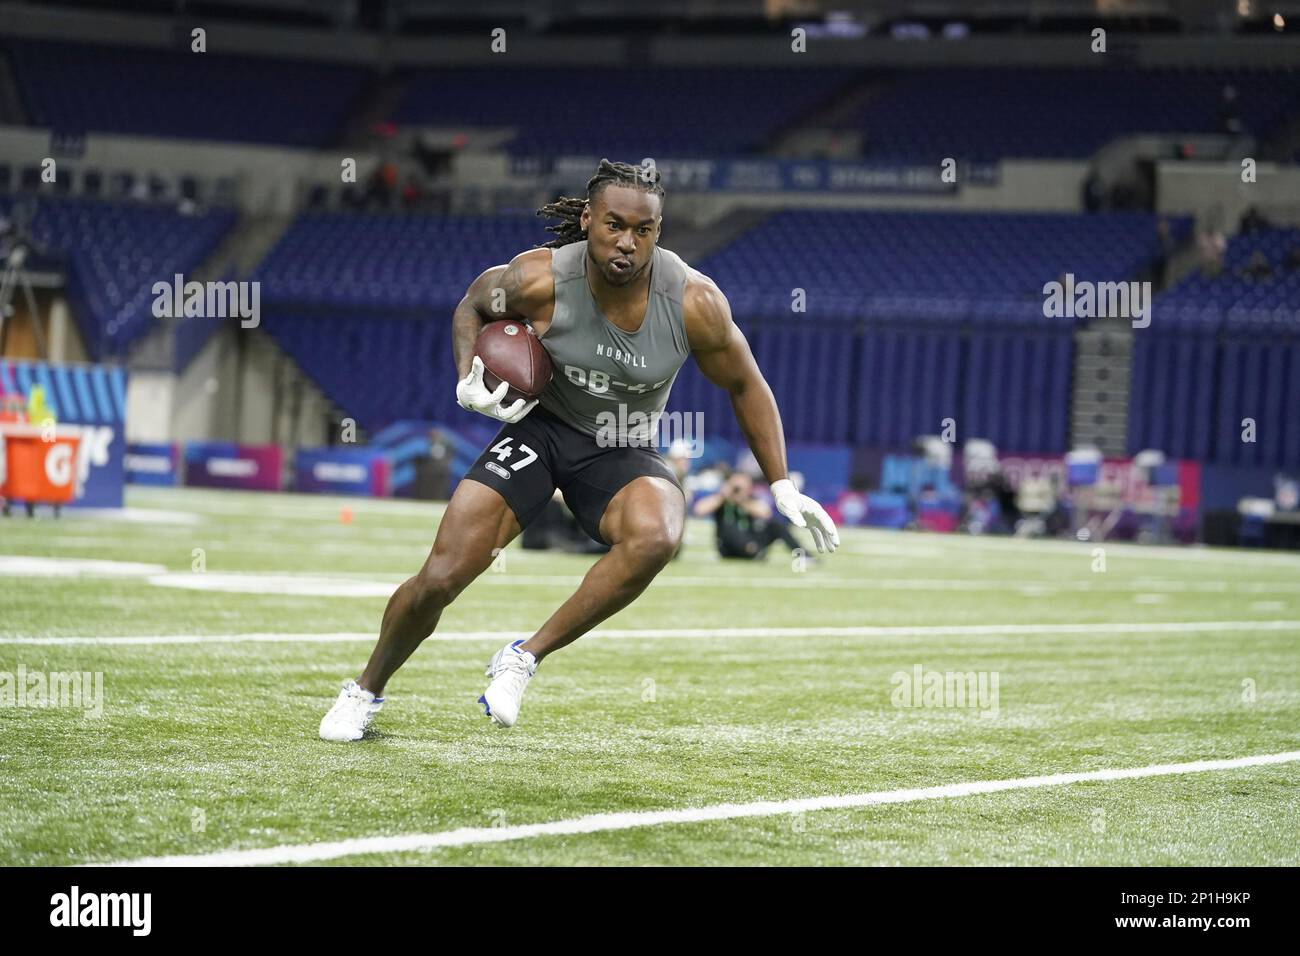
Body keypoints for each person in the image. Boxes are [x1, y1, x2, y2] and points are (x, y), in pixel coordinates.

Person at [320, 159, 839, 740]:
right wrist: (467, 376)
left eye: (643, 230)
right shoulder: (536, 279)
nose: (627, 243)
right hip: (540, 430)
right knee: (443, 575)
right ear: (588, 219)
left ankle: (523, 656)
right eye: (614, 225)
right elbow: (471, 304)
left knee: (659, 535)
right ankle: (364, 691)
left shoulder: (694, 302)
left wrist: (780, 484)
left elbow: (747, 383)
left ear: (658, 232)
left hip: (621, 442)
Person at [693, 470, 804, 560]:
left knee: (776, 524)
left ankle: (803, 555)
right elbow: (699, 510)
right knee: (728, 525)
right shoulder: (721, 500)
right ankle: (751, 550)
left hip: (752, 541)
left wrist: (742, 501)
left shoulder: (750, 501)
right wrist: (723, 496)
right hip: (728, 548)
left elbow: (766, 513)